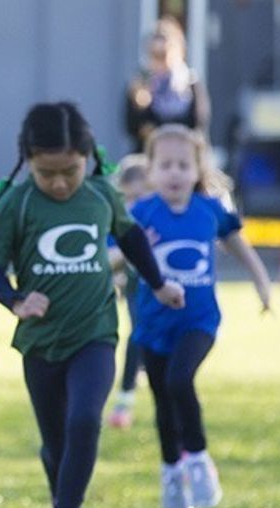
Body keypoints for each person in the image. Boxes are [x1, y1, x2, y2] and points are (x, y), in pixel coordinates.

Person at [0, 102, 186, 508]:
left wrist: (160, 283)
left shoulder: (99, 195)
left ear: (87, 157)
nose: (61, 182)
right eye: (48, 173)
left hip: (95, 333)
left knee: (85, 420)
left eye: (71, 170)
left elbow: (130, 240)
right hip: (41, 342)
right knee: (55, 445)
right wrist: (16, 301)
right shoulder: (18, 202)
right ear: (28, 160)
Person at [127, 124, 271, 508]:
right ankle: (172, 471)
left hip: (199, 320)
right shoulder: (139, 215)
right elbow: (112, 258)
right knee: (161, 400)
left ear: (197, 170)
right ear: (151, 171)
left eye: (183, 165)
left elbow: (239, 245)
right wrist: (138, 250)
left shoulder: (210, 210)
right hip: (154, 325)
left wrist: (262, 283)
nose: (174, 173)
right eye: (165, 165)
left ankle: (199, 459)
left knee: (179, 379)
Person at [106, 153, 151, 429]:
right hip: (136, 285)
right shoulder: (119, 218)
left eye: (140, 196)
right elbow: (109, 256)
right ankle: (125, 397)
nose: (134, 204)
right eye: (128, 198)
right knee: (138, 333)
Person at [124, 16, 211, 153]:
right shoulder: (140, 82)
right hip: (150, 155)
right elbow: (131, 126)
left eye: (164, 54)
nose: (160, 61)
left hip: (184, 155)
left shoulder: (190, 82)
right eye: (154, 54)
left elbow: (199, 125)